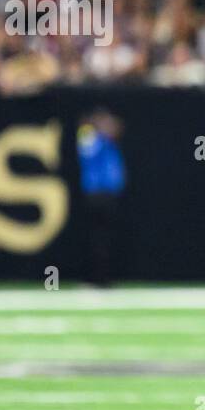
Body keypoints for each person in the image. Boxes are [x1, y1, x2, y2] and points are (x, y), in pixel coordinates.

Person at [77, 109, 126, 286]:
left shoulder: (109, 142)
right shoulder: (90, 139)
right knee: (96, 238)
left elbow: (118, 128)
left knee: (105, 238)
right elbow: (85, 141)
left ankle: (103, 278)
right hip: (96, 195)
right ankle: (95, 279)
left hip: (108, 196)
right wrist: (91, 125)